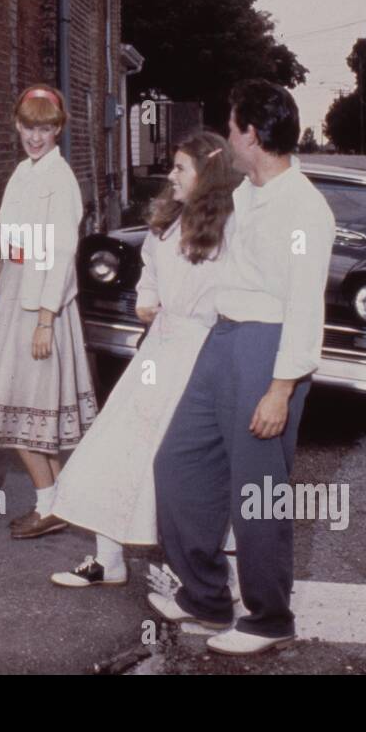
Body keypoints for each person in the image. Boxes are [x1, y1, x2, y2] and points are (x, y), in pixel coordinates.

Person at [149, 79, 334, 655]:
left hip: (267, 347)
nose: (227, 139)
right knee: (177, 462)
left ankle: (269, 616)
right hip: (222, 338)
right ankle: (204, 596)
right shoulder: (247, 192)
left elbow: (305, 307)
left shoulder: (304, 208)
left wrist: (280, 390)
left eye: (231, 129)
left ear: (251, 134)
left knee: (257, 490)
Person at [49, 132, 241, 586]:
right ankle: (107, 560)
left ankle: (211, 574)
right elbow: (150, 273)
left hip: (202, 354)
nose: (170, 176)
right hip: (159, 349)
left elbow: (236, 293)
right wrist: (146, 300)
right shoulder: (168, 221)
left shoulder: (233, 227)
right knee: (115, 446)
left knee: (182, 464)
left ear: (207, 175)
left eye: (180, 169)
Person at [0, 84, 97, 540]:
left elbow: (61, 253)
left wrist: (45, 319)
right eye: (29, 127)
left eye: (46, 128)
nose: (36, 136)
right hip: (16, 291)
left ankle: (49, 505)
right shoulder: (23, 171)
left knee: (23, 411)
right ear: (17, 125)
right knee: (29, 412)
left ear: (58, 129)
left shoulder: (59, 178)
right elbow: (6, 240)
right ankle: (54, 502)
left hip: (40, 304)